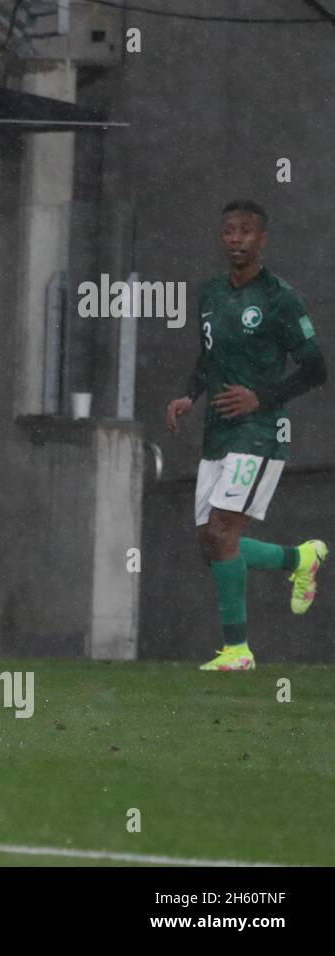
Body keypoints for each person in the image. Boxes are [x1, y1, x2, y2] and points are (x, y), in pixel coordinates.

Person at [165, 200, 327, 671]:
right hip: (218, 432)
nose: (236, 239)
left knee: (221, 533)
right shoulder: (211, 293)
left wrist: (262, 398)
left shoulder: (281, 298)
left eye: (246, 232)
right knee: (211, 545)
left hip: (260, 431)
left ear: (262, 240)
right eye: (229, 231)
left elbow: (316, 369)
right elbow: (208, 358)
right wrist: (189, 396)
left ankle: (238, 651)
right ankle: (300, 559)